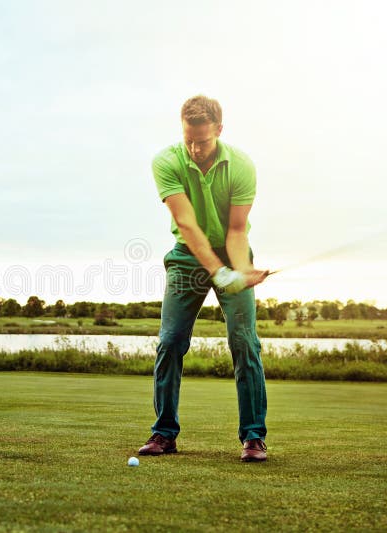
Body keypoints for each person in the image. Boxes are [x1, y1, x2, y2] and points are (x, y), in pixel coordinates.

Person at [139, 95, 270, 462]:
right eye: (189, 139)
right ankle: (164, 433)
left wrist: (240, 271)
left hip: (230, 253)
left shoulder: (241, 165)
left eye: (203, 141)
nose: (195, 148)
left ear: (219, 131)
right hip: (186, 257)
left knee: (244, 342)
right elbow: (187, 223)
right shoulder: (166, 161)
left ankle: (254, 436)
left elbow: (237, 229)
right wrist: (218, 272)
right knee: (170, 341)